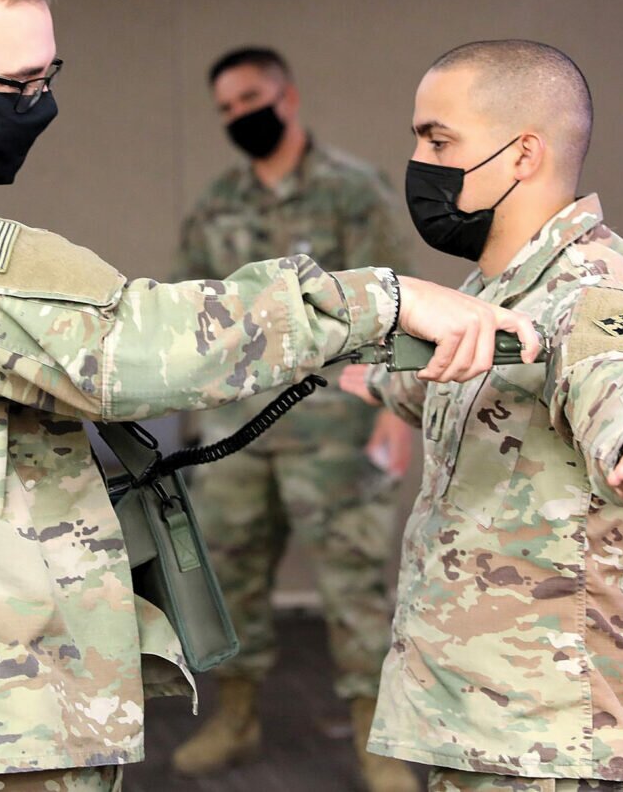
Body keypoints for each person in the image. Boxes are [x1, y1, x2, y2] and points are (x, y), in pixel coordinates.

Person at [0, 0, 539, 792]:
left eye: (47, 76)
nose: (41, 104)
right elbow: (121, 343)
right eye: (16, 88)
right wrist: (379, 302)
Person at [341, 40, 623, 792]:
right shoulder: (495, 297)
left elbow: (621, 384)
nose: (417, 160)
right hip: (493, 736)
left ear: (522, 155)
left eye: (437, 139)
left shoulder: (594, 296)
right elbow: (439, 387)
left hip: (571, 755)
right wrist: (352, 365)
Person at [170, 46, 419, 792]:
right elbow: (190, 318)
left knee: (354, 589)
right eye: (225, 108)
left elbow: (396, 303)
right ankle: (235, 720)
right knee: (232, 586)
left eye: (250, 98)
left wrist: (398, 415)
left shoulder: (354, 192)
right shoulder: (216, 205)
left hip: (337, 431)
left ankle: (377, 742)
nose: (238, 115)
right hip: (237, 437)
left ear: (287, 96)